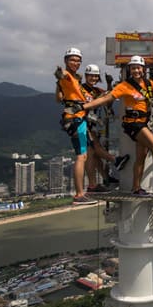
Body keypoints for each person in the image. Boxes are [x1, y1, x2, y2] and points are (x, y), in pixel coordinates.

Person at [80, 55, 153, 195]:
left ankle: (136, 188)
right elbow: (106, 98)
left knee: (141, 156)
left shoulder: (149, 84)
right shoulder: (124, 86)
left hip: (143, 123)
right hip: (133, 124)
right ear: (129, 69)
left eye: (138, 68)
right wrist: (84, 107)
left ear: (143, 69)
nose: (136, 71)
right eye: (133, 68)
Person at [54, 47, 100, 205]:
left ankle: (88, 188)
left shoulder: (74, 79)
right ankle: (79, 194)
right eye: (72, 60)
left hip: (77, 118)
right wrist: (60, 75)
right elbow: (62, 74)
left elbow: (59, 99)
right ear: (66, 60)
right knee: (82, 156)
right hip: (76, 118)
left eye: (78, 60)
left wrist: (59, 83)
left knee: (86, 154)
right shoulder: (67, 76)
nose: (75, 62)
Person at [81, 64, 129, 186]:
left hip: (92, 124)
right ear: (86, 76)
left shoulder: (97, 91)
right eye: (91, 76)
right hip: (83, 123)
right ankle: (115, 161)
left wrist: (110, 85)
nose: (93, 79)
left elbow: (108, 98)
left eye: (96, 76)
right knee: (94, 150)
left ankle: (106, 178)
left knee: (94, 153)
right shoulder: (81, 89)